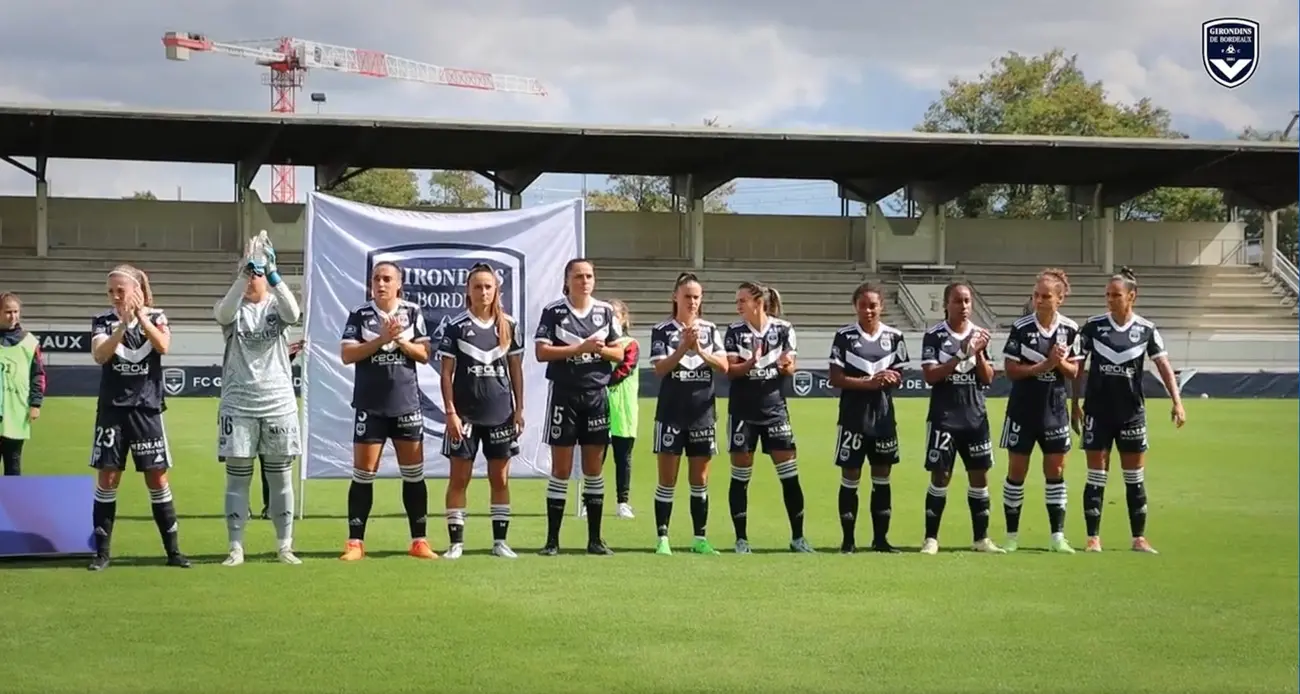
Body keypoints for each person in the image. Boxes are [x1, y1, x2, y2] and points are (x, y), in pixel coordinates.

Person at [1072, 267, 1185, 554]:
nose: (1110, 299)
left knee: (1134, 479)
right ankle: (1093, 538)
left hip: (1131, 413)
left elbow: (1163, 366)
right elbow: (1078, 368)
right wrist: (1074, 405)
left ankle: (1139, 538)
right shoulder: (1093, 326)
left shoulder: (1146, 329)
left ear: (1132, 296)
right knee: (1096, 477)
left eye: (1116, 295)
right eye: (1107, 295)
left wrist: (1177, 401)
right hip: (1098, 412)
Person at [87, 264, 189, 570]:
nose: (115, 296)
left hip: (146, 410)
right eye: (111, 291)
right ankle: (102, 553)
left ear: (137, 291)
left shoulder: (157, 317)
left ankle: (173, 552)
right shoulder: (103, 321)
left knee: (157, 478)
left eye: (121, 290)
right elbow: (100, 355)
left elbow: (164, 346)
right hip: (112, 411)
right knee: (108, 477)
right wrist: (121, 326)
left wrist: (141, 318)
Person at [213, 238, 302, 566]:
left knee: (280, 478)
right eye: (247, 273)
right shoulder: (232, 309)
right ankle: (236, 546)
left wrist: (275, 273)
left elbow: (294, 313)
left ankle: (284, 545)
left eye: (256, 274)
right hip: (238, 405)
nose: (252, 278)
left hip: (278, 403)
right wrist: (245, 272)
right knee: (238, 477)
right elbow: (222, 313)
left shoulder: (276, 309)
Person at [338, 261, 435, 561]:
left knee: (414, 475)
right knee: (363, 474)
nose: (380, 284)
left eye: (387, 279)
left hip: (405, 404)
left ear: (398, 284)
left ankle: (419, 541)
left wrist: (399, 340)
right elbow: (346, 354)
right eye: (376, 279)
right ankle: (355, 543)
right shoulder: (360, 314)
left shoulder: (413, 312)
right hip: (370, 405)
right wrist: (380, 339)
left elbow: (424, 354)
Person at [534, 258, 626, 556]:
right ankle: (552, 541)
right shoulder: (554, 311)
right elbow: (541, 352)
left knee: (593, 469)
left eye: (588, 276)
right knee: (561, 469)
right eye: (578, 276)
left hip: (596, 396)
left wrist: (602, 350)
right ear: (567, 280)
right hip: (564, 394)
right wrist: (579, 349)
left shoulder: (605, 312)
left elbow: (620, 351)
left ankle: (595, 539)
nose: (584, 281)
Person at [437, 263, 525, 560]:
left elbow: (516, 370)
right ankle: (456, 543)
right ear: (468, 290)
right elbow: (446, 373)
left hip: (500, 414)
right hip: (465, 417)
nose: (483, 292)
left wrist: (519, 408)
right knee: (459, 479)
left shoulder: (509, 325)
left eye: (488, 286)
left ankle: (500, 542)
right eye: (478, 286)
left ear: (496, 290)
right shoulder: (456, 326)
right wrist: (450, 412)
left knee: (500, 480)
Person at [724, 281, 812, 554]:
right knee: (741, 476)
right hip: (742, 412)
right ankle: (741, 540)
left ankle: (798, 538)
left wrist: (787, 367)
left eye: (742, 300)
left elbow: (791, 365)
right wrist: (751, 362)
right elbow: (731, 370)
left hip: (775, 411)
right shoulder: (734, 332)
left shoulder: (784, 329)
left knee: (789, 476)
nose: (738, 305)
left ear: (758, 302)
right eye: (737, 300)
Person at [1000, 268, 1084, 554]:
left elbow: (1075, 372)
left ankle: (1057, 536)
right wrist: (1044, 366)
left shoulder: (1071, 329)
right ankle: (1011, 536)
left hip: (1054, 408)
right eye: (1036, 295)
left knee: (1056, 470)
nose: (1039, 300)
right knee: (1017, 471)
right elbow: (1010, 370)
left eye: (1046, 296)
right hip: (1023, 408)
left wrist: (1059, 364)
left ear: (1059, 299)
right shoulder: (1021, 328)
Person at [918, 282, 1004, 555]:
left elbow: (988, 378)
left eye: (967, 301)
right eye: (958, 301)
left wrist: (977, 351)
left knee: (979, 477)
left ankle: (981, 539)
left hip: (975, 416)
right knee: (940, 476)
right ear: (946, 304)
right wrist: (960, 353)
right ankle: (931, 538)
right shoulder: (934, 335)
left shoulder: (981, 335)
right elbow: (931, 376)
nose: (964, 306)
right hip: (944, 417)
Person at [649, 273, 729, 555]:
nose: (692, 301)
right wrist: (684, 347)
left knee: (700, 479)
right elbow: (659, 368)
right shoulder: (662, 330)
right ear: (675, 297)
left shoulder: (710, 329)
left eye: (696, 297)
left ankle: (700, 538)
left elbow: (723, 366)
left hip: (702, 415)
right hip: (671, 414)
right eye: (687, 296)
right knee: (667, 479)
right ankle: (663, 538)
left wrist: (700, 350)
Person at [827, 283, 907, 553]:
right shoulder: (844, 336)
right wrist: (870, 382)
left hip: (883, 417)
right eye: (863, 305)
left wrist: (891, 378)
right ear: (855, 307)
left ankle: (880, 540)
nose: (869, 310)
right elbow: (836, 378)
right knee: (850, 476)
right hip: (853, 418)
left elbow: (899, 376)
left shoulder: (895, 337)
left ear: (881, 306)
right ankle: (848, 541)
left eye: (873, 305)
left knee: (882, 477)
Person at [0, 292, 44, 476]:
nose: (13, 316)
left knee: (13, 464)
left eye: (16, 311)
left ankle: (12, 503)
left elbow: (38, 375)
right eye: (8, 312)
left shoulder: (29, 342)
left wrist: (35, 404)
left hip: (16, 412)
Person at [606, 299, 639, 519]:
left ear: (624, 318)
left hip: (624, 409)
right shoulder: (599, 342)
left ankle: (622, 502)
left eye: (615, 315)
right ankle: (589, 501)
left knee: (623, 458)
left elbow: (625, 368)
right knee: (594, 456)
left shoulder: (630, 343)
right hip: (600, 406)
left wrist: (600, 382)